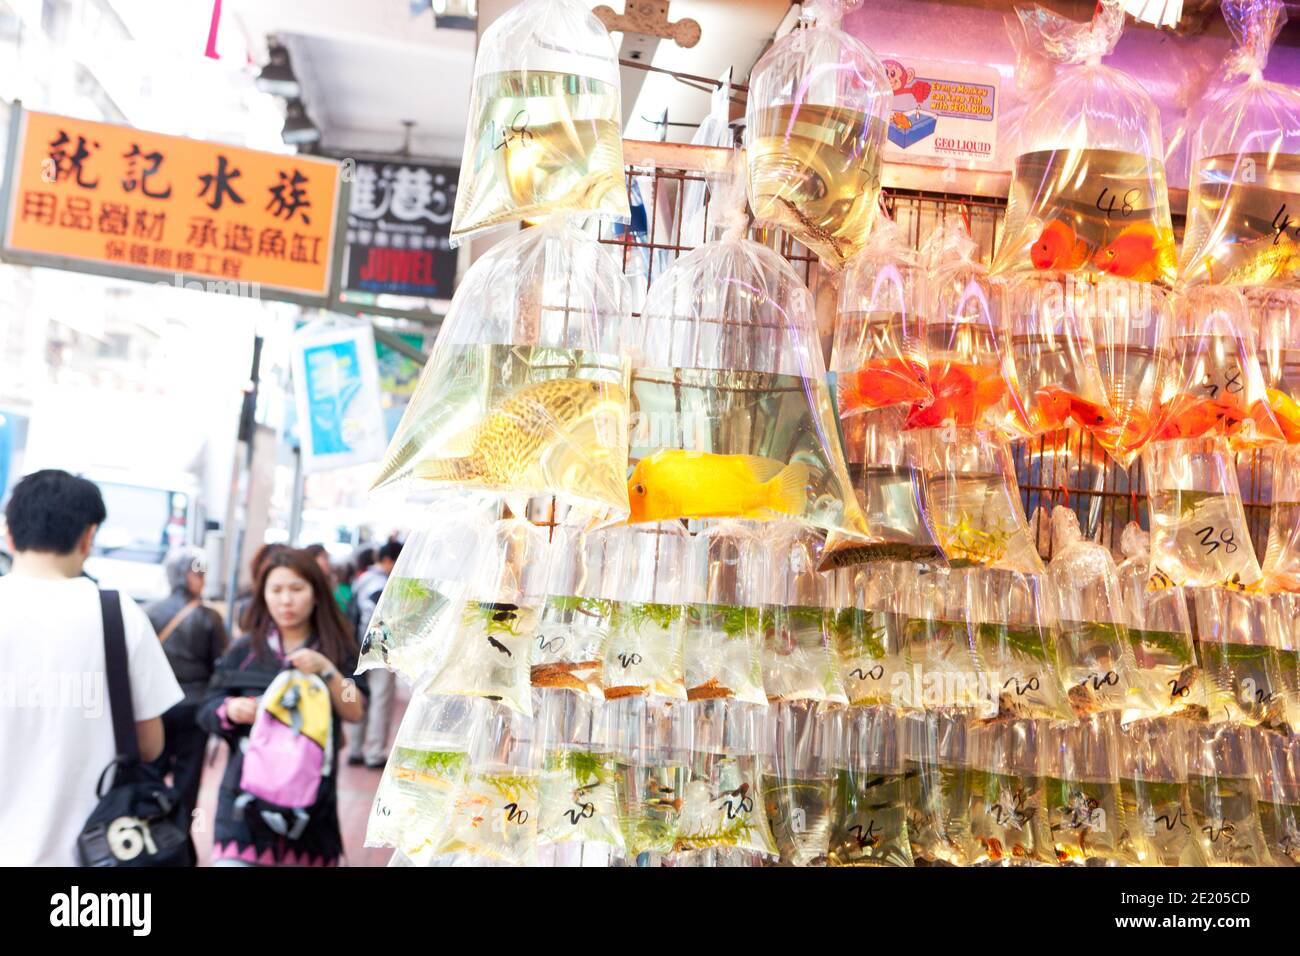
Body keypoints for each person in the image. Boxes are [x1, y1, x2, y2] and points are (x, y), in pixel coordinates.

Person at [0, 470, 182, 865]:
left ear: (9, 535)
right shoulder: (118, 615)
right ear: (88, 537)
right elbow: (149, 745)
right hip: (95, 858)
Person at [198, 548, 366, 866]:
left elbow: (355, 709)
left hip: (311, 816)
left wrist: (327, 670)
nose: (286, 600)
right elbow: (207, 709)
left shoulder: (339, 649)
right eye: (276, 590)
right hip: (243, 813)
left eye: (297, 589)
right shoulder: (245, 650)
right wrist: (230, 709)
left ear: (316, 594)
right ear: (263, 595)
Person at [143, 545, 228, 831]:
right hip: (195, 707)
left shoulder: (150, 612)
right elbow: (220, 665)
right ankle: (179, 835)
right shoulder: (209, 617)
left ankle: (151, 832)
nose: (203, 579)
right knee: (188, 777)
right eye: (199, 573)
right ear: (187, 576)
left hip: (158, 705)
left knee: (152, 771)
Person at [347, 538, 401, 768]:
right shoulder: (380, 585)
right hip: (376, 651)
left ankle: (355, 749)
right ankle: (375, 753)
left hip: (354, 650)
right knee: (380, 700)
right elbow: (378, 621)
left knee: (358, 697)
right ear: (388, 560)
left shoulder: (362, 579)